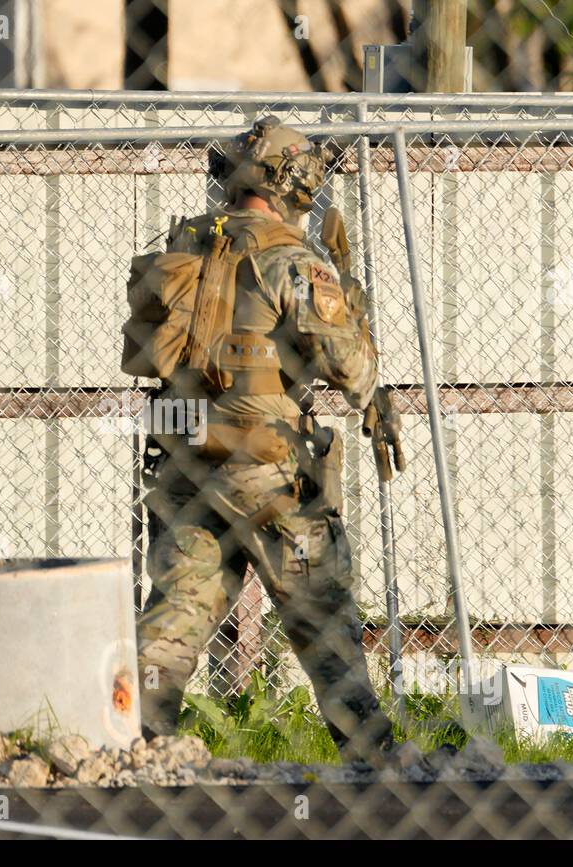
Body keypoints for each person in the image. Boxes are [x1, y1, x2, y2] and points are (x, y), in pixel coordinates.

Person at [126, 116, 395, 762]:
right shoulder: (290, 259)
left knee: (174, 615)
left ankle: (130, 746)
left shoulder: (187, 243)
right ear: (292, 186)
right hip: (268, 472)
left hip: (182, 460)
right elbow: (352, 366)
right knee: (324, 617)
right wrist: (353, 306)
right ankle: (377, 764)